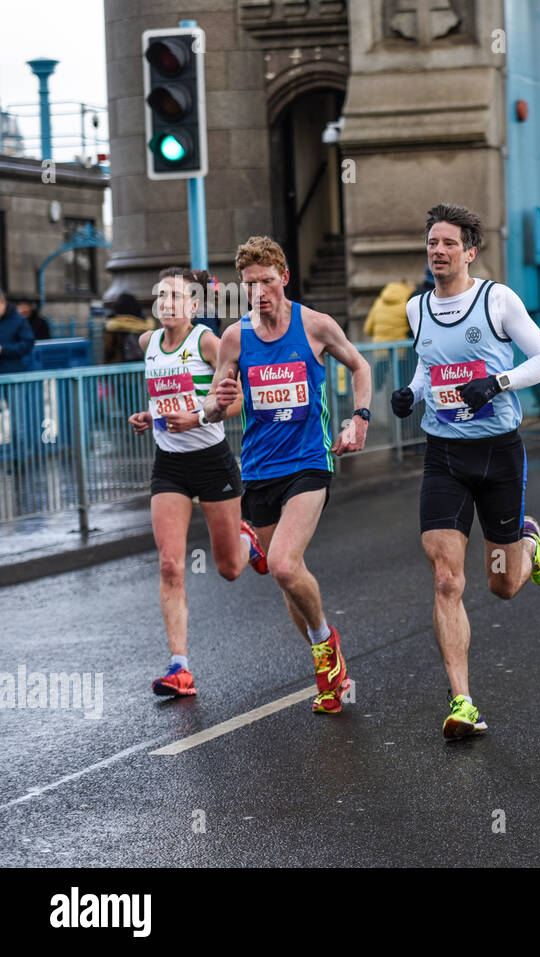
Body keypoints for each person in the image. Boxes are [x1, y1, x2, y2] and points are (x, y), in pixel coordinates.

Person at [389, 204, 540, 739]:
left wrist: (498, 383)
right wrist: (411, 393)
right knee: (446, 578)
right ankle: (462, 700)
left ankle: (528, 545)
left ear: (470, 251)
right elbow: (427, 362)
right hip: (443, 455)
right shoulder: (418, 309)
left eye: (448, 244)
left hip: (498, 452)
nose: (438, 251)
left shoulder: (496, 299)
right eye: (431, 242)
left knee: (503, 585)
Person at [204, 236, 373, 715]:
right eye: (250, 283)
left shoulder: (316, 326)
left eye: (266, 281)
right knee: (288, 577)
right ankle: (330, 667)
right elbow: (219, 406)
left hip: (308, 464)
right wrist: (216, 404)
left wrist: (359, 418)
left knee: (281, 562)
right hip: (258, 470)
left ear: (284, 278)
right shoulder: (236, 338)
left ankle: (325, 647)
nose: (259, 291)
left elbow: (360, 365)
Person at [127, 267, 269, 697]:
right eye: (161, 295)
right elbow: (166, 397)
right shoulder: (146, 343)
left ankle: (247, 540)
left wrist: (199, 417)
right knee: (170, 565)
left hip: (212, 463)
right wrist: (151, 417)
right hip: (169, 465)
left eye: (176, 297)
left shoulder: (207, 342)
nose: (167, 303)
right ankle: (179, 667)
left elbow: (238, 398)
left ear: (193, 305)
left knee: (228, 569)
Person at [103, 292, 157, 363]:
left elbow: (108, 350)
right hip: (144, 364)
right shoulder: (147, 325)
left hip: (118, 367)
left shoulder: (112, 327)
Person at [0, 288, 36, 373]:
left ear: (3, 303)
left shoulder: (19, 321)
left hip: (11, 374)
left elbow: (28, 344)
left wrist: (3, 350)